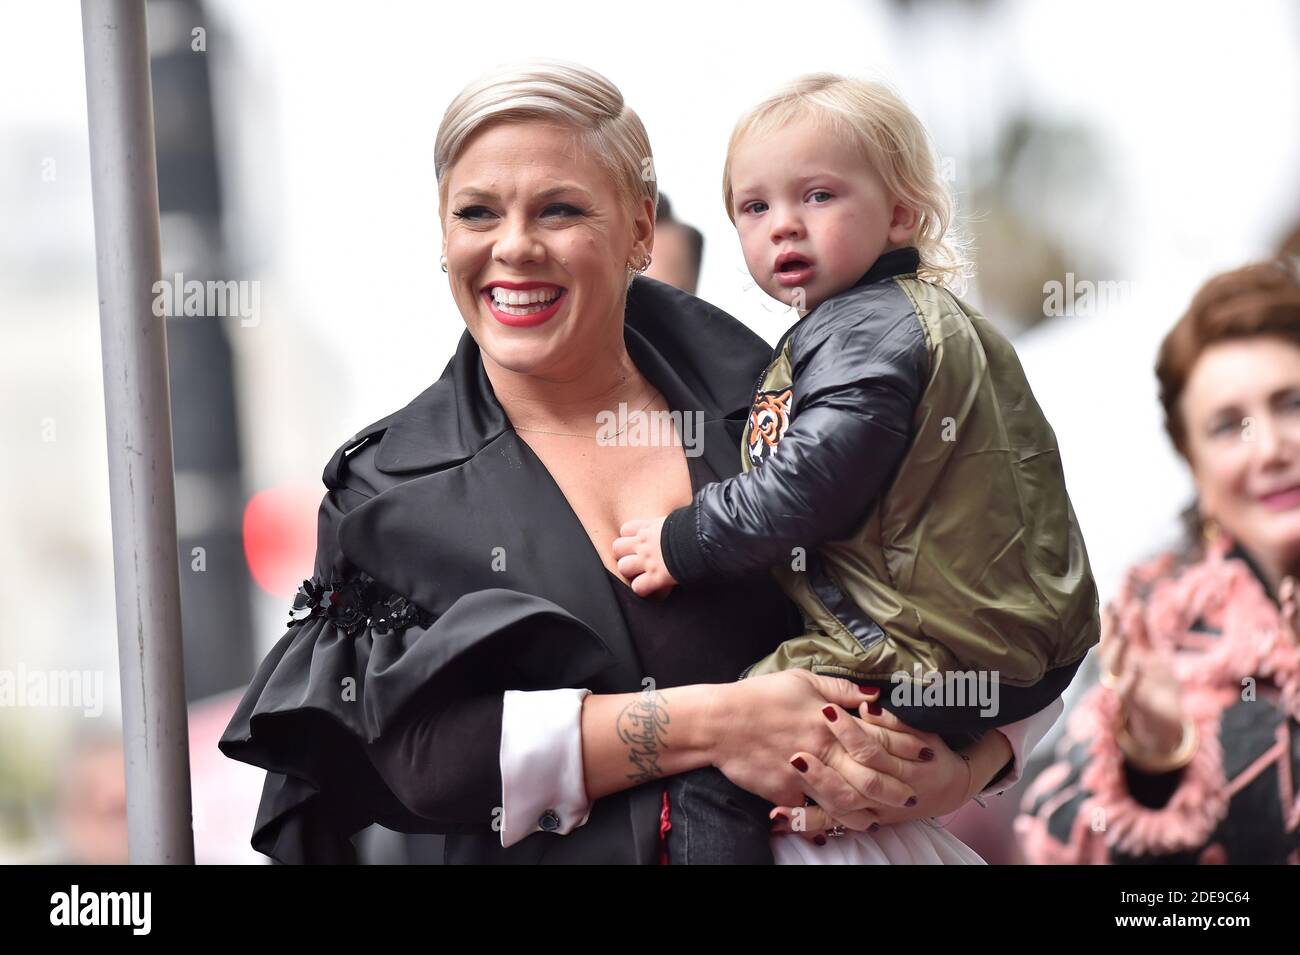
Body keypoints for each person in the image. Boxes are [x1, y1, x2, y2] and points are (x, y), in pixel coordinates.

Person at [219, 59, 1063, 865]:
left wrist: (968, 766)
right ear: (444, 235)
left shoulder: (788, 396)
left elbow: (991, 575)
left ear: (638, 230)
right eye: (476, 213)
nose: (514, 246)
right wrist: (717, 722)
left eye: (558, 210)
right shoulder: (384, 490)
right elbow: (417, 753)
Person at [612, 74, 1098, 863]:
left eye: (818, 195)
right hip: (1004, 651)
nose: (784, 225)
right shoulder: (914, 322)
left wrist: (683, 540)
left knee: (721, 753)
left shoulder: (868, 330)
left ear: (901, 213)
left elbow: (808, 483)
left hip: (921, 651)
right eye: (754, 207)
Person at [1015, 259, 1300, 864]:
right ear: (1194, 466)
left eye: (1292, 404)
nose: (1271, 448)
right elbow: (1055, 844)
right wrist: (1154, 763)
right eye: (1229, 426)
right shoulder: (1155, 631)